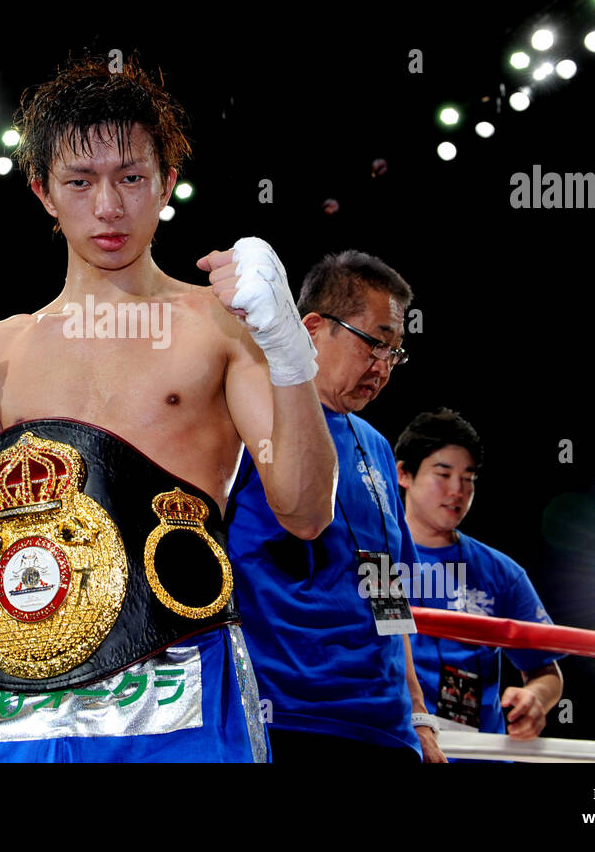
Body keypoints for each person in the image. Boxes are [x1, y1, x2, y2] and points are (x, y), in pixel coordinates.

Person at [0, 55, 336, 762]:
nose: (108, 208)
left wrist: (289, 351)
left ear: (167, 184)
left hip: (171, 677)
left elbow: (304, 508)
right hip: (2, 697)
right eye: (80, 182)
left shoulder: (221, 324)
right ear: (44, 192)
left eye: (131, 178)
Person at [226, 249, 446, 763]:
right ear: (312, 328)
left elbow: (386, 589)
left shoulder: (376, 447)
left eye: (395, 353)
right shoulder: (247, 424)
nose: (383, 366)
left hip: (381, 729)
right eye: (374, 343)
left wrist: (416, 715)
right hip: (279, 718)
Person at [395, 407, 563, 738]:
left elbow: (546, 673)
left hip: (482, 755)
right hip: (400, 745)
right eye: (443, 475)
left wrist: (534, 700)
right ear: (404, 474)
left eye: (468, 478)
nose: (457, 490)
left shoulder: (501, 573)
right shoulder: (374, 560)